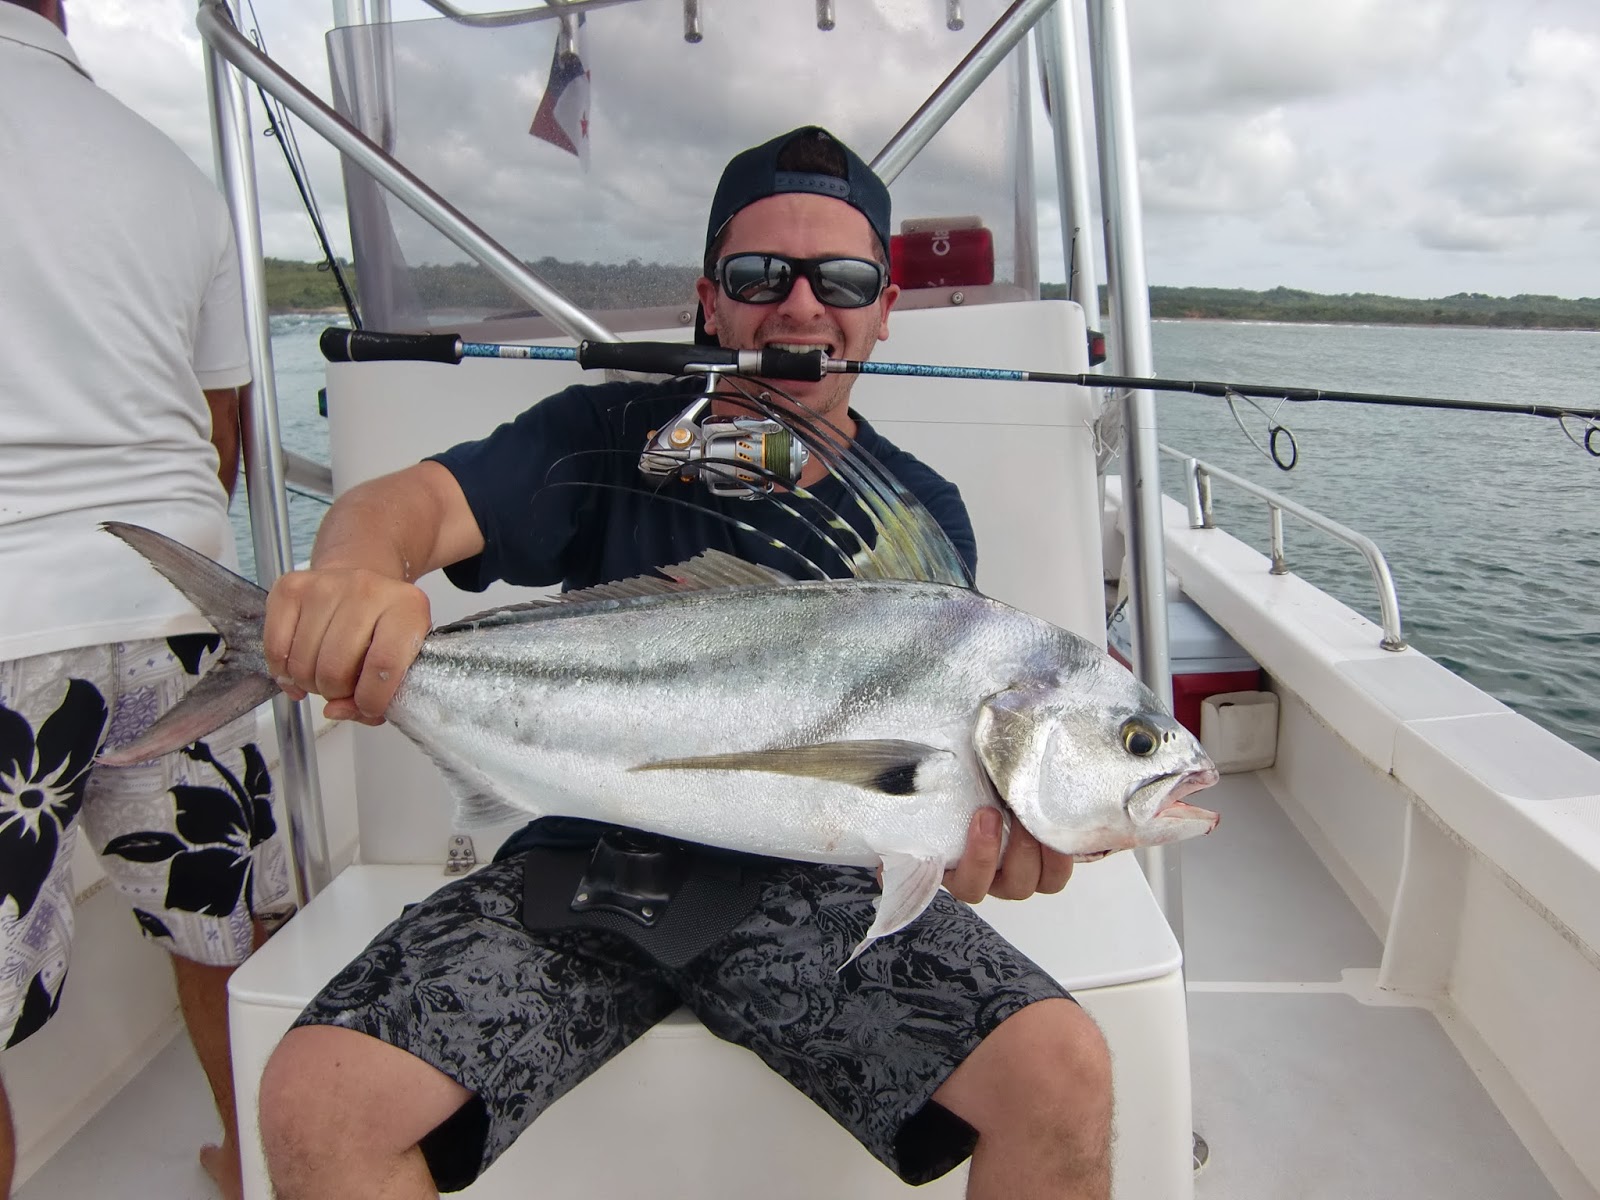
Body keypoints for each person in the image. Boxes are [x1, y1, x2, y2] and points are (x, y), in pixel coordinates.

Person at [256, 126, 1112, 1200]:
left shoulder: (917, 519)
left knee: (1061, 1078)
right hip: (592, 852)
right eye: (760, 275)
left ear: (885, 307)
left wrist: (972, 835)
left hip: (821, 882)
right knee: (319, 1101)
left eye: (842, 279)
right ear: (711, 300)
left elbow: (915, 783)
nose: (801, 306)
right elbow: (409, 506)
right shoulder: (608, 434)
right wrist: (352, 575)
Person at [0, 3, 288, 1198]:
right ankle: (252, 1166)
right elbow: (222, 427)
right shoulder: (166, 167)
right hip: (175, 613)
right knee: (224, 929)